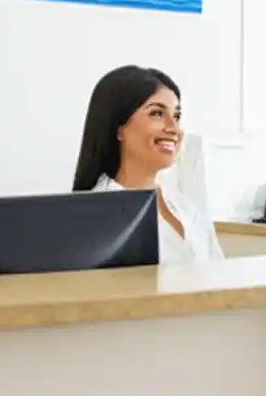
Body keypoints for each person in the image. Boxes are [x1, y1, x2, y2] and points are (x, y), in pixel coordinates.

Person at [72, 65, 224, 264]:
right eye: (157, 114)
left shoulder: (184, 205)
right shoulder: (96, 215)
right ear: (118, 128)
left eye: (176, 116)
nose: (174, 129)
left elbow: (219, 273)